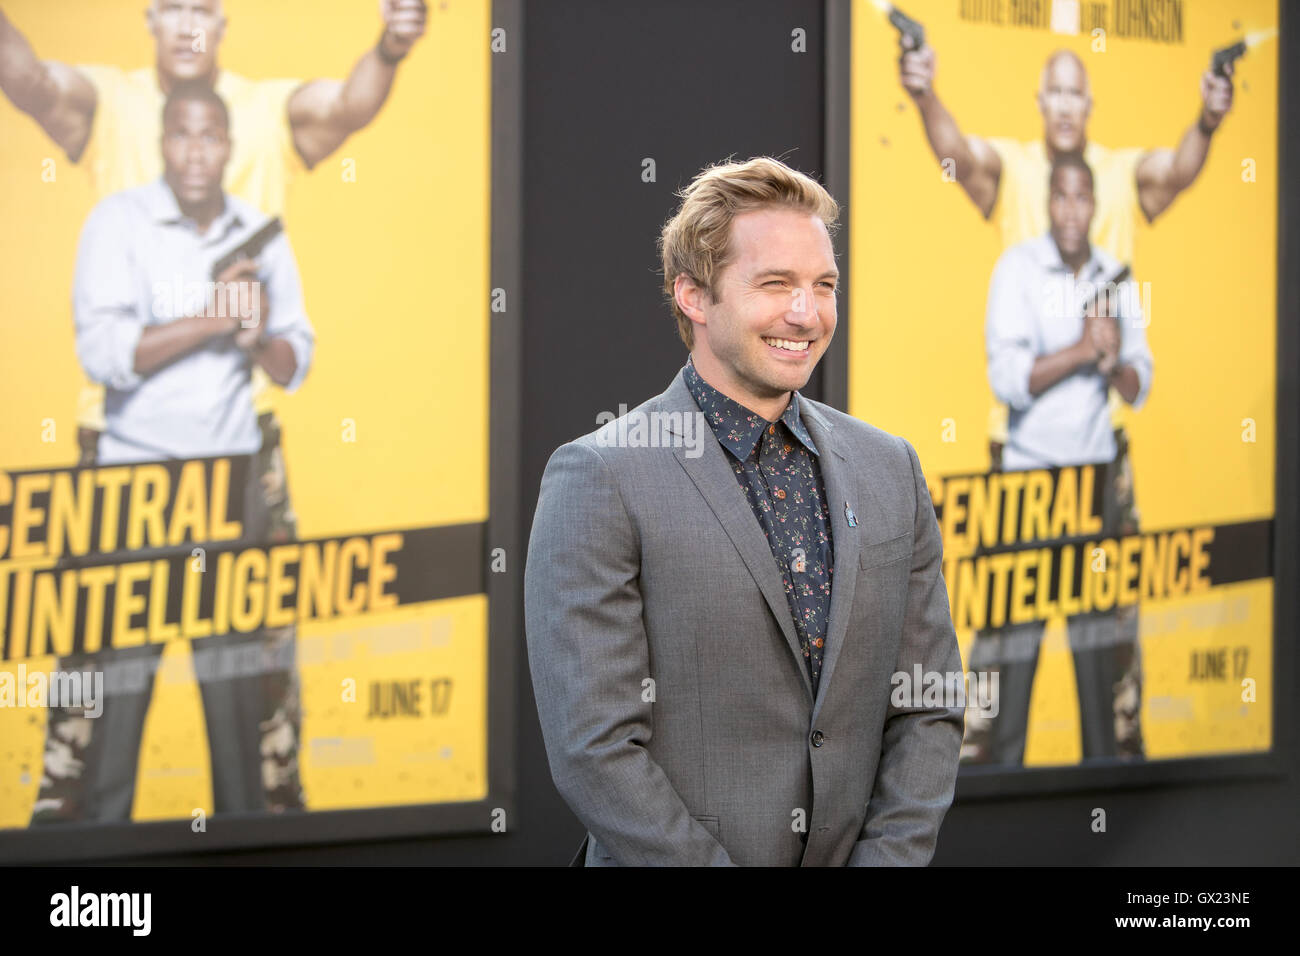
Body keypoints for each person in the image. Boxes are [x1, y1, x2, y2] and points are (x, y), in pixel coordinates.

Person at [524, 156, 964, 866]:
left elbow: (929, 702)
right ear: (694, 296)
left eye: (824, 285)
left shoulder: (890, 469)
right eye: (775, 284)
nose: (807, 313)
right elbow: (594, 751)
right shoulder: (601, 476)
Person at [33, 81, 315, 823]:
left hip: (228, 497)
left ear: (228, 146)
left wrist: (254, 335)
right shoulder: (115, 224)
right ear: (163, 143)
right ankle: (97, 875)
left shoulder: (262, 232)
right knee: (115, 710)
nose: (197, 150)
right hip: (133, 496)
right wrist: (214, 317)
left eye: (211, 135)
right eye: (183, 134)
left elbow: (295, 364)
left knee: (237, 709)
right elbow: (107, 355)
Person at [0, 0, 426, 458]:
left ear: (222, 25)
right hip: (124, 427)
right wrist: (211, 319)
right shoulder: (112, 104)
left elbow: (348, 105)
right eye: (172, 9)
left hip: (237, 422)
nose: (187, 28)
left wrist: (389, 48)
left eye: (200, 11)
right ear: (150, 20)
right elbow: (28, 81)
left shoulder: (266, 113)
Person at [972, 153, 1153, 765]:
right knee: (1013, 655)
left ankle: (1102, 801)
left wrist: (1111, 360)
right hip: (1028, 482)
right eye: (1061, 197)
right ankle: (1002, 792)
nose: (1071, 210)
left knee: (1098, 653)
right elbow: (1009, 380)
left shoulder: (1117, 274)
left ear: (1094, 205)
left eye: (1082, 197)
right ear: (1048, 203)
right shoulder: (1017, 269)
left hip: (1096, 481)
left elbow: (1139, 386)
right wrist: (1081, 348)